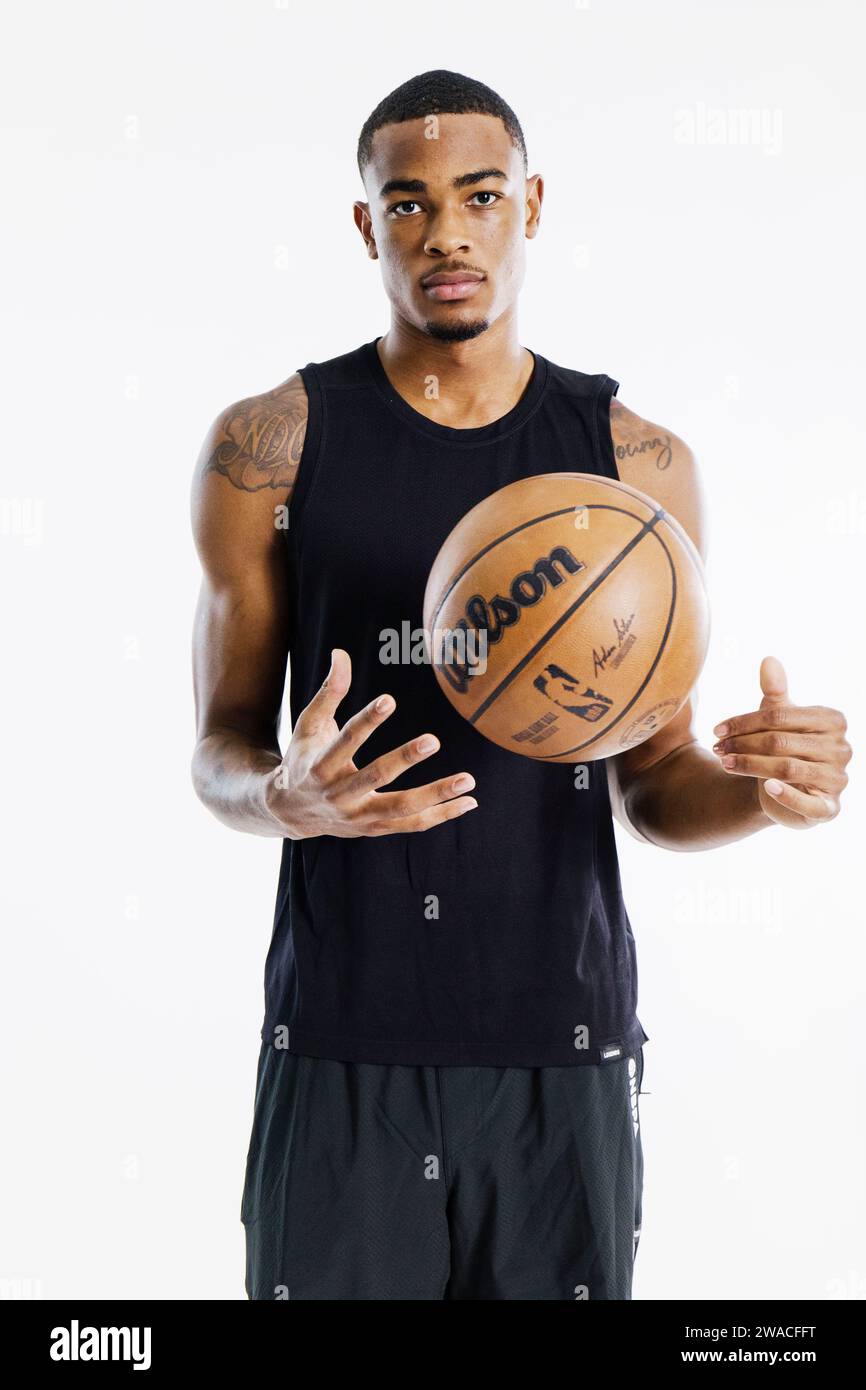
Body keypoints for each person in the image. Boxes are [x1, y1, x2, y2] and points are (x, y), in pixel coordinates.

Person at [190, 70, 851, 1301]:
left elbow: (651, 782)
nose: (446, 233)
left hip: (562, 1042)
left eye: (479, 196)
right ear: (365, 225)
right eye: (407, 204)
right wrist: (282, 796)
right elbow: (220, 750)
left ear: (530, 204)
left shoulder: (633, 463)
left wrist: (757, 792)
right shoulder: (270, 447)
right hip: (342, 1041)